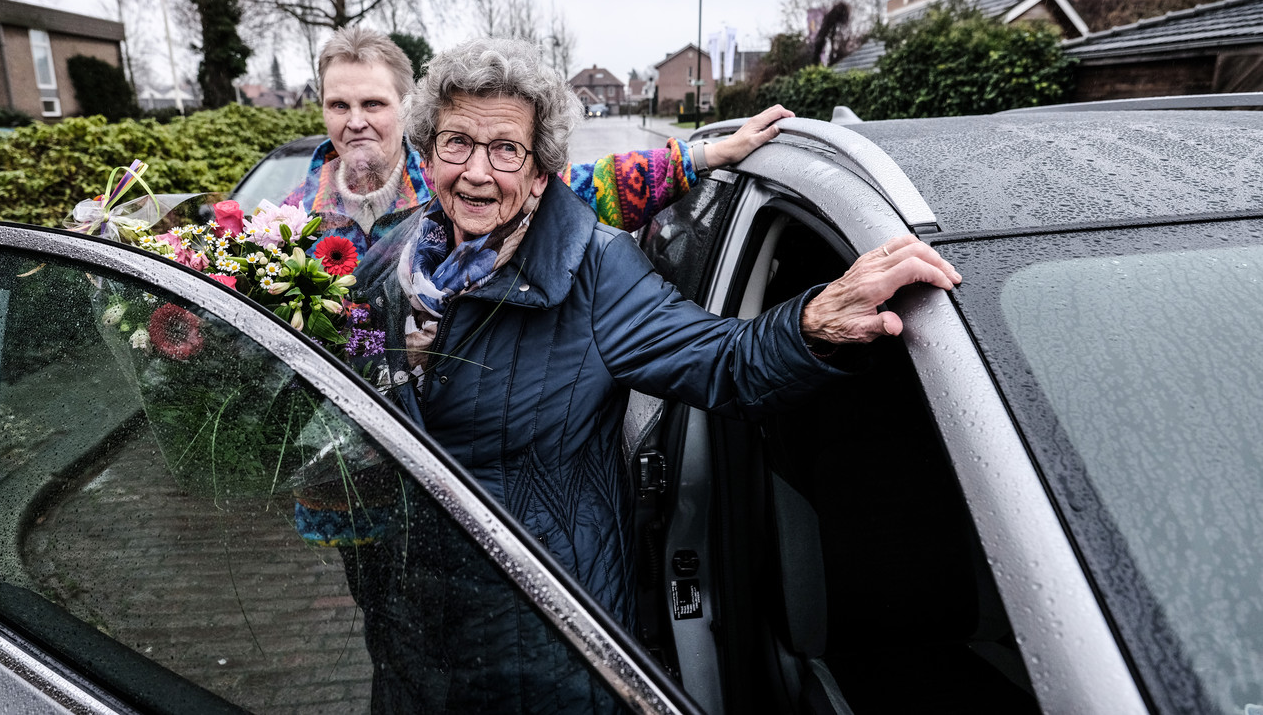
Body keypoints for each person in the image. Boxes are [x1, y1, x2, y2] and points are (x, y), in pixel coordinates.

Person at [319, 37, 961, 713]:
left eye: (506, 149)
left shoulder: (595, 270)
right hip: (410, 638)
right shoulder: (382, 265)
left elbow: (728, 364)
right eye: (457, 143)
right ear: (427, 153)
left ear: (541, 173)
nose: (477, 171)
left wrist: (814, 322)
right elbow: (361, 397)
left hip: (547, 638)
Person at [281, 25, 790, 254]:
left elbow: (598, 185)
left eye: (373, 104)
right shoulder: (288, 221)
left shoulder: (450, 176)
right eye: (338, 105)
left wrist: (705, 153)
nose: (355, 121)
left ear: (406, 106)